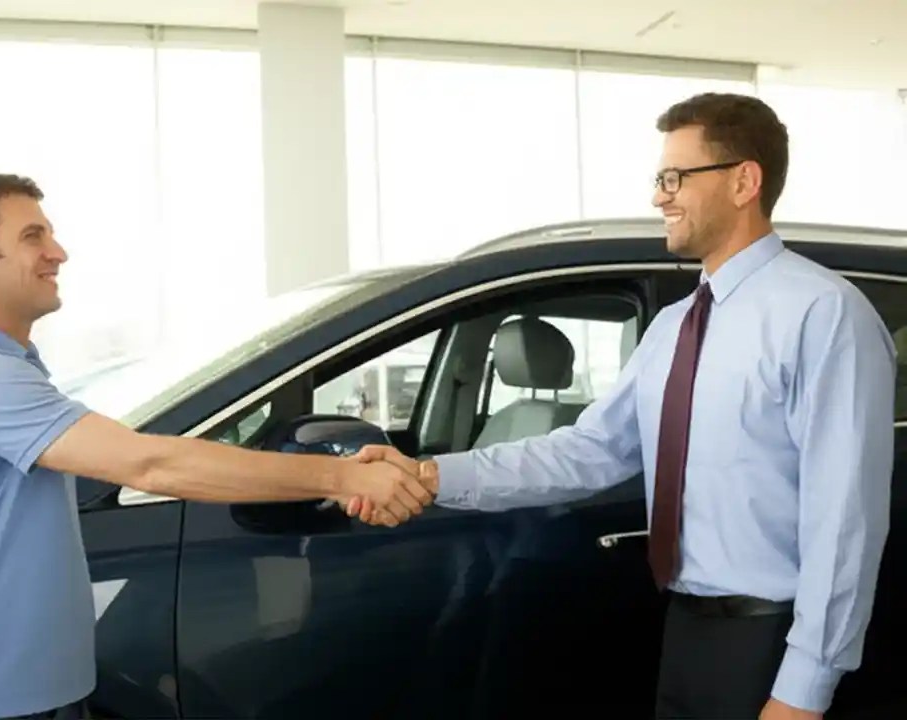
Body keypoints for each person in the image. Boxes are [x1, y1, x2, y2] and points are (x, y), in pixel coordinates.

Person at [348, 92, 896, 720]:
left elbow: (844, 519)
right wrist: (430, 474)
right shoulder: (674, 326)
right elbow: (591, 451)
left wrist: (804, 689)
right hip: (689, 631)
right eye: (659, 179)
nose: (659, 196)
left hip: (772, 641)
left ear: (745, 180)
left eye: (675, 177)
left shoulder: (823, 314)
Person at [0, 173, 433, 720]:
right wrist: (341, 477)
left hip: (31, 689)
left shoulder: (4, 367)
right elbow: (149, 463)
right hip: (0, 698)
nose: (57, 252)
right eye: (33, 236)